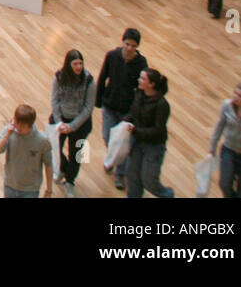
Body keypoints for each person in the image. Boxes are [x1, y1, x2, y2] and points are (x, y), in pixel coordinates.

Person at [96, 27, 147, 190]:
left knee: (124, 143)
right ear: (122, 42)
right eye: (128, 44)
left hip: (127, 111)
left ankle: (120, 173)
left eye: (134, 46)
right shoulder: (112, 56)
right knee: (107, 135)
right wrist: (98, 100)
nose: (130, 48)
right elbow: (103, 77)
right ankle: (112, 159)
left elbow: (141, 90)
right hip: (110, 105)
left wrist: (135, 113)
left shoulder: (141, 63)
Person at [50, 49, 96, 197]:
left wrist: (73, 126)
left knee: (76, 154)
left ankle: (70, 181)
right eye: (75, 63)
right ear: (68, 64)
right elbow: (54, 100)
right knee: (53, 147)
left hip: (80, 124)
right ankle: (64, 169)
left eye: (80, 63)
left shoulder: (88, 81)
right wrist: (59, 123)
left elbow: (88, 107)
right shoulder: (59, 77)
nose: (78, 67)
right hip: (61, 120)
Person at [124, 68, 174, 198]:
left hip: (153, 146)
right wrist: (125, 121)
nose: (139, 80)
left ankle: (168, 195)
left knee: (149, 181)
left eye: (143, 79)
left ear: (152, 84)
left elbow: (158, 130)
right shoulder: (139, 93)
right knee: (132, 177)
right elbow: (133, 111)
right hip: (137, 141)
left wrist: (136, 130)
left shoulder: (162, 104)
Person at [0, 104, 54, 198]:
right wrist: (7, 136)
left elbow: (48, 165)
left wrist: (49, 190)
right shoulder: (9, 132)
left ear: (30, 124)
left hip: (30, 190)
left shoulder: (42, 141)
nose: (18, 127)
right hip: (10, 186)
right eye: (17, 122)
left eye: (22, 125)